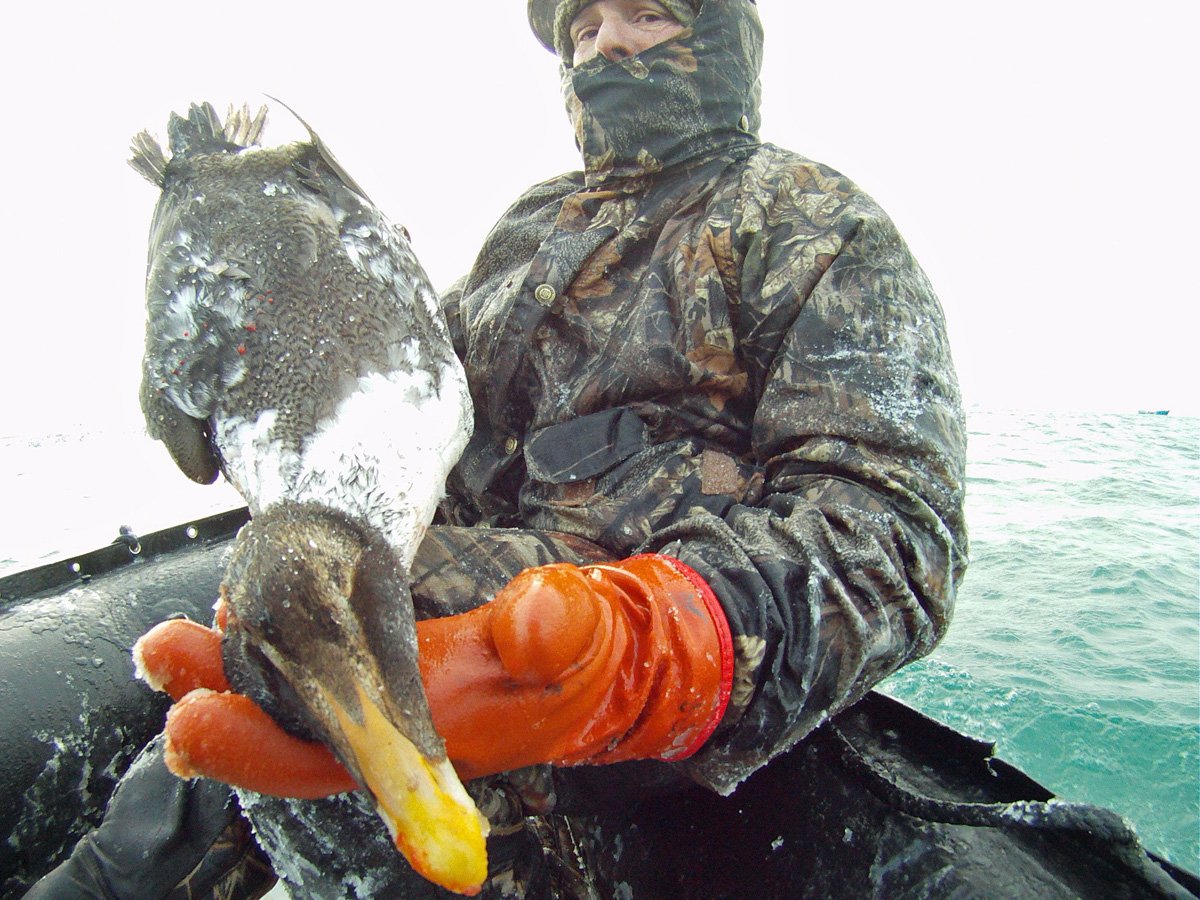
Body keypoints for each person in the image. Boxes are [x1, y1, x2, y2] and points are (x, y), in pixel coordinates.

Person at [29, 0, 968, 896]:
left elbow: (897, 532)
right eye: (583, 28)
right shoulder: (531, 223)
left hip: (638, 658)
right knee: (277, 624)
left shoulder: (816, 222)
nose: (604, 45)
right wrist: (262, 330)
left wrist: (646, 654)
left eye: (647, 14)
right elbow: (415, 390)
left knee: (379, 628)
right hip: (443, 614)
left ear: (723, 36)